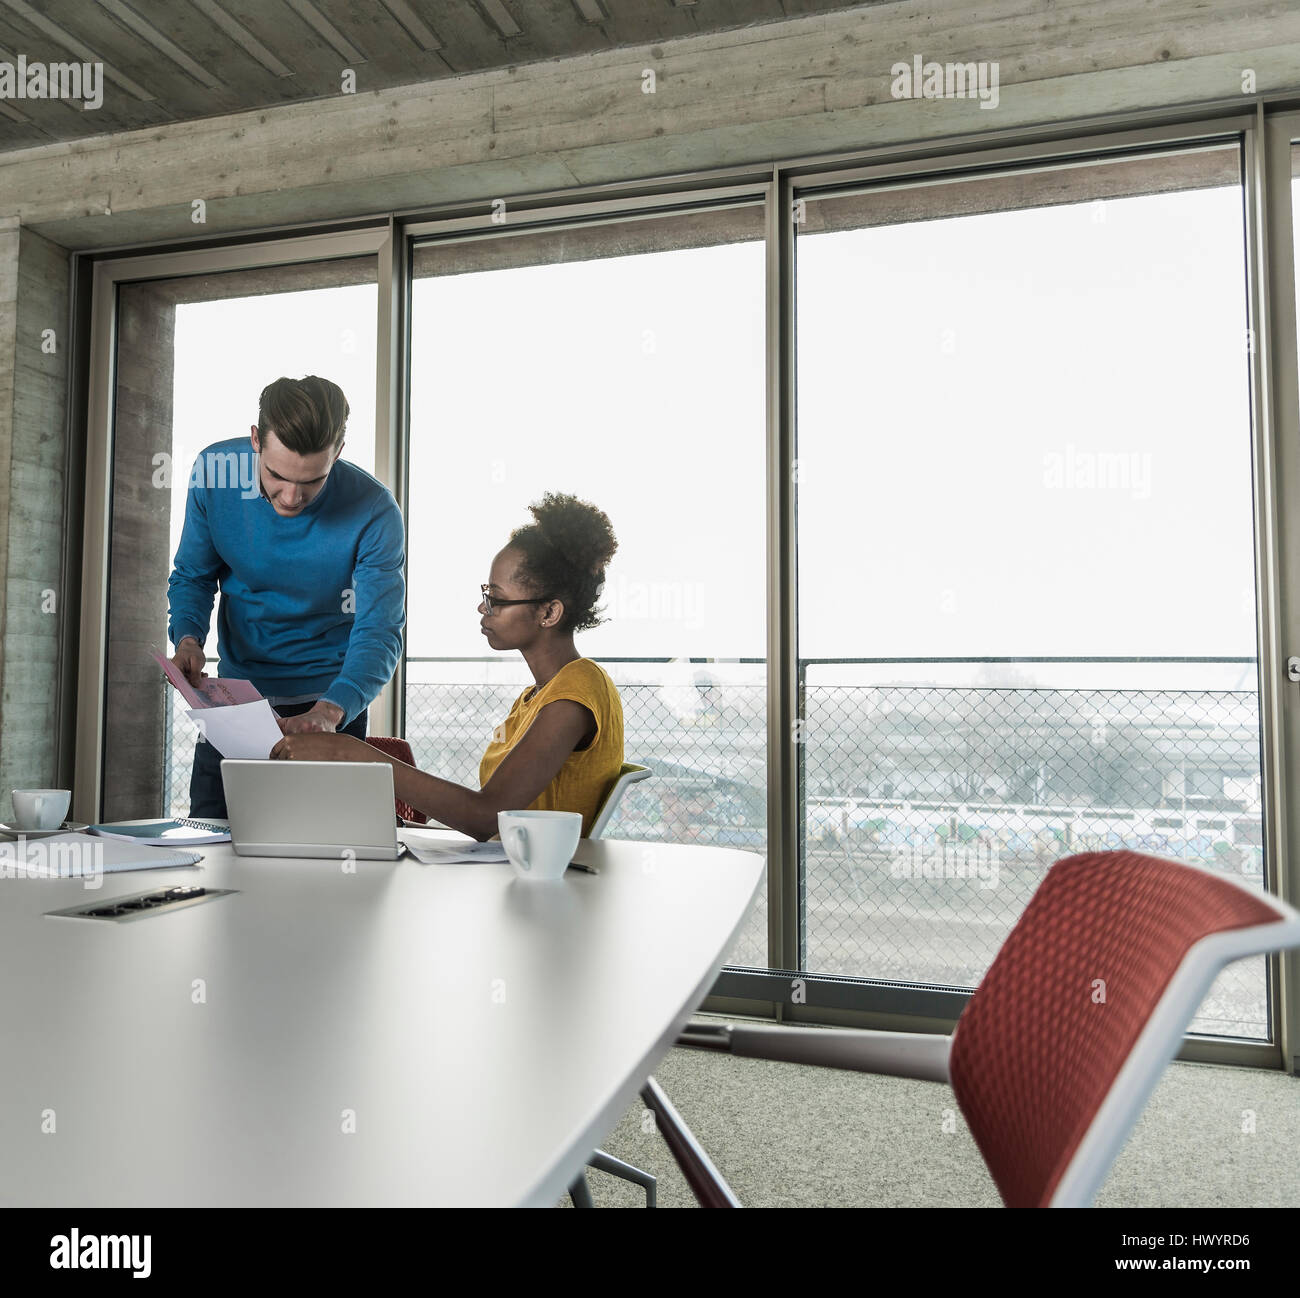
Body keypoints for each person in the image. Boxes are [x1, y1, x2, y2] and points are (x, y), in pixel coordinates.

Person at [271, 492, 622, 840]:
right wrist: (400, 825)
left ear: (549, 613)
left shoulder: (577, 690)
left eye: (496, 599)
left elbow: (487, 816)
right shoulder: (537, 697)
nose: (483, 609)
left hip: (539, 888)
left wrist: (349, 752)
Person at [167, 375, 406, 818]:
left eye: (313, 481)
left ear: (339, 451)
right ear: (256, 440)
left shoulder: (374, 511)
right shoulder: (214, 472)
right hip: (236, 707)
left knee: (329, 854)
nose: (292, 497)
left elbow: (379, 632)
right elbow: (193, 577)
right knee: (214, 842)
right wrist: (187, 640)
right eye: (276, 476)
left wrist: (331, 710)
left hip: (330, 705)